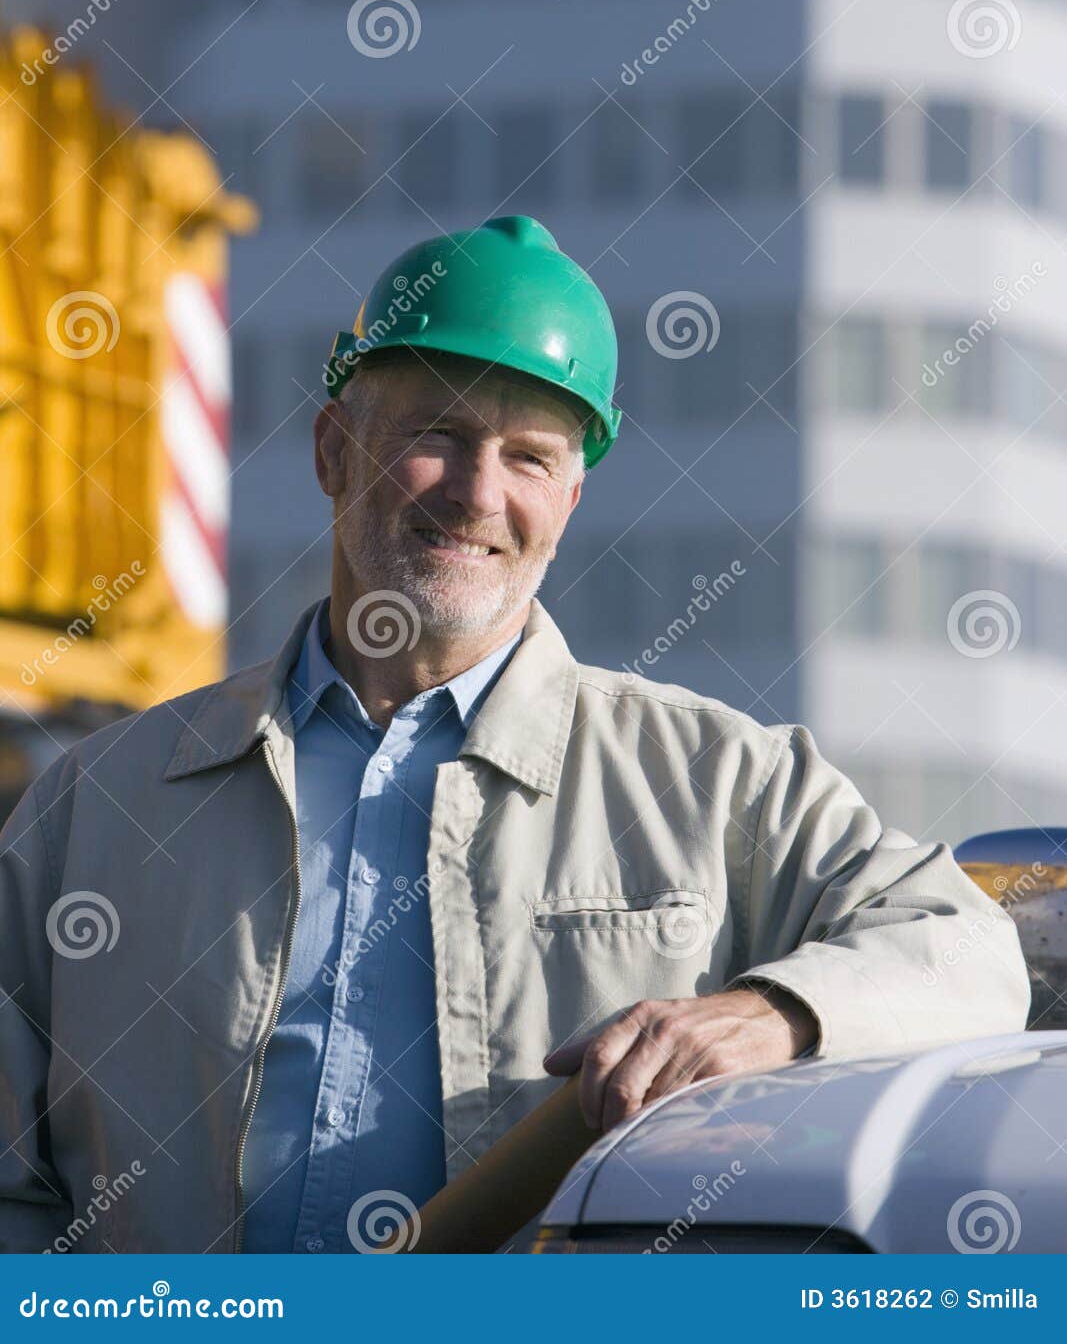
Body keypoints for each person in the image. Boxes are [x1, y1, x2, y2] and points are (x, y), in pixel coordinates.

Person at [0, 215, 1029, 1254]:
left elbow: (968, 948)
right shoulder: (101, 802)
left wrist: (772, 1013)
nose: (477, 492)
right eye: (433, 435)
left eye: (528, 457)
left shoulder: (717, 782)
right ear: (331, 450)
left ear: (571, 498)